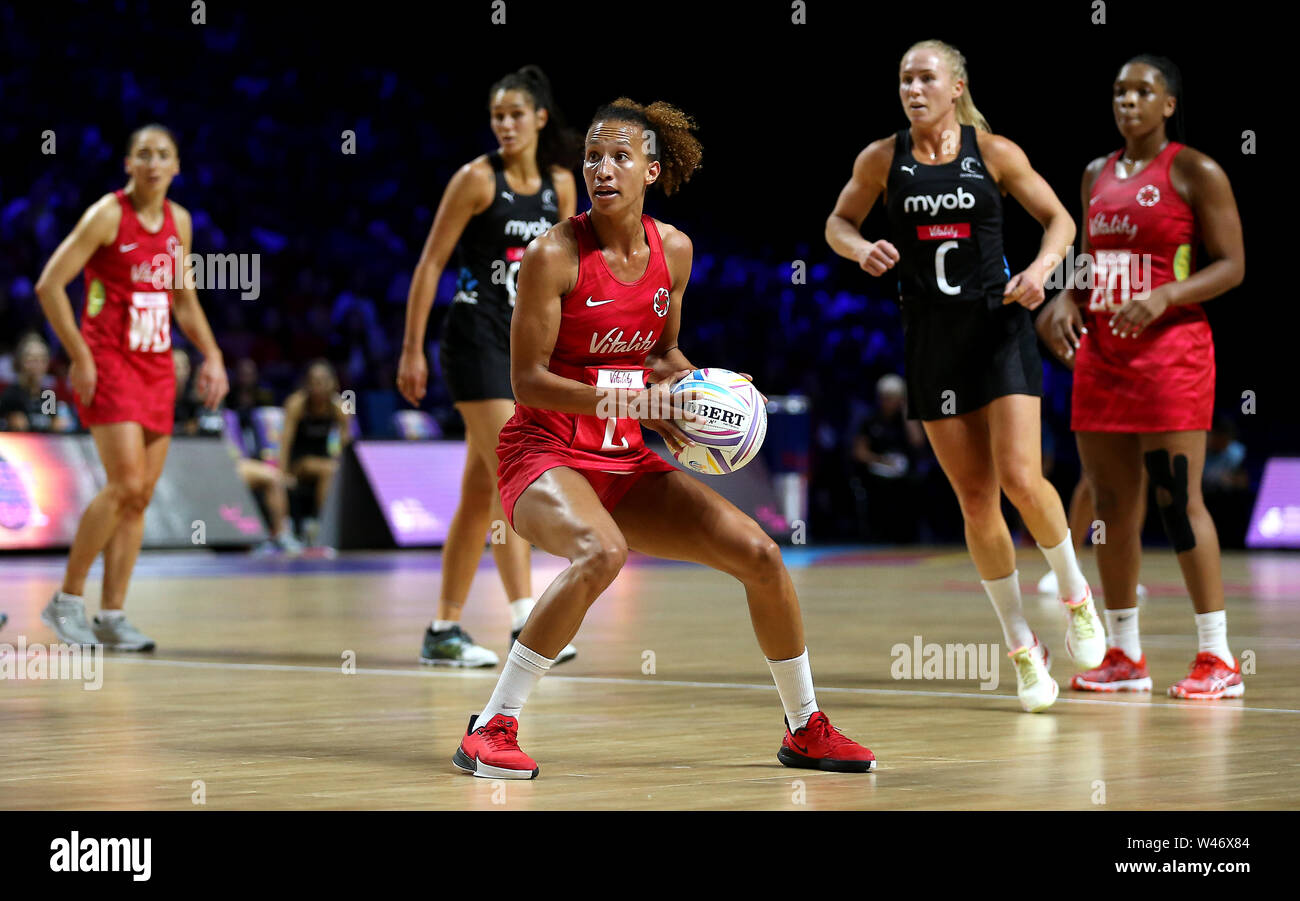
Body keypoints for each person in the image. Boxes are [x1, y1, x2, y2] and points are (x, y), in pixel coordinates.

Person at [452, 98, 876, 780]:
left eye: (620, 156)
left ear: (652, 168)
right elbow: (527, 382)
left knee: (762, 555)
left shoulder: (672, 251)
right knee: (600, 551)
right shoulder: (551, 255)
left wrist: (714, 388)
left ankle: (806, 727)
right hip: (544, 453)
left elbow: (664, 353)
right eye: (592, 155)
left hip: (623, 458)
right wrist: (630, 399)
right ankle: (492, 725)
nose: (602, 168)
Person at [826, 40, 1105, 712]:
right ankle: (1021, 649)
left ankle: (1075, 595)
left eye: (926, 77)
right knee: (977, 502)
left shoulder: (995, 152)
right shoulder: (881, 158)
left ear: (956, 86)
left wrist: (1041, 271)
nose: (913, 88)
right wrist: (862, 247)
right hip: (930, 340)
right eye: (904, 79)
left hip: (997, 327)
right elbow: (837, 222)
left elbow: (1061, 219)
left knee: (1021, 477)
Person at [1037, 56, 1245, 698]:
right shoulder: (1096, 173)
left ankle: (1218, 658)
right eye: (1120, 91)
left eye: (1143, 91)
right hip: (1102, 357)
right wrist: (1066, 298)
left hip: (1171, 356)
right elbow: (1092, 263)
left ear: (1169, 104)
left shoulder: (1194, 170)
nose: (1128, 101)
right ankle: (1124, 653)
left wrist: (1167, 296)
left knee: (1177, 504)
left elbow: (1233, 265)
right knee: (1111, 509)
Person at [397, 66, 578, 667]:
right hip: (473, 338)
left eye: (515, 114)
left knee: (478, 494)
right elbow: (429, 265)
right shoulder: (476, 180)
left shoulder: (560, 185)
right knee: (512, 464)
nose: (504, 125)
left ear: (540, 118)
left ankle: (442, 629)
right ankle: (526, 614)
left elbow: (569, 279)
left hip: (522, 348)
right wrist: (410, 348)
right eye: (497, 116)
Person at [33, 124, 228, 650]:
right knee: (123, 485)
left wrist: (211, 354)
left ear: (177, 167)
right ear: (128, 164)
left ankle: (113, 614)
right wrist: (79, 355)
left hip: (158, 367)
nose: (153, 163)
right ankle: (67, 600)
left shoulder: (178, 222)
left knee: (140, 497)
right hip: (109, 362)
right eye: (143, 154)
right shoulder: (107, 215)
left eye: (164, 154)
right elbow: (50, 283)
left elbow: (184, 299)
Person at [279, 358, 351, 541]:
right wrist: (282, 473)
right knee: (329, 469)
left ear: (333, 383)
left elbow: (346, 445)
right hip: (299, 463)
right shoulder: (296, 404)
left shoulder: (339, 407)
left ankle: (320, 524)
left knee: (331, 470)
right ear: (307, 383)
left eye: (323, 380)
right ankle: (321, 526)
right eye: (313, 380)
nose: (318, 385)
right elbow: (285, 441)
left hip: (325, 462)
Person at [850, 373, 928, 542]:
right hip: (877, 472)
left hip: (905, 475)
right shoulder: (870, 420)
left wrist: (907, 411)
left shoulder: (907, 421)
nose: (887, 402)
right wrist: (881, 460)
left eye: (892, 398)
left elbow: (918, 442)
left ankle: (910, 534)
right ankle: (878, 535)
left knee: (916, 485)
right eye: (884, 397)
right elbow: (859, 452)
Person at [0, 333, 74, 432]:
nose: (37, 366)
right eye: (32, 360)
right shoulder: (11, 394)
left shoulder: (48, 395)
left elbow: (54, 426)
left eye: (42, 360)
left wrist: (57, 424)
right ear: (20, 362)